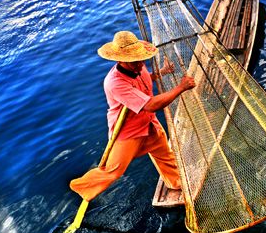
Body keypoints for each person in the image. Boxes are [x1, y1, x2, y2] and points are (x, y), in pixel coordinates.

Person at [70, 30, 196, 202]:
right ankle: (82, 187)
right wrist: (181, 87)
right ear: (120, 60)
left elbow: (145, 79)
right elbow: (151, 105)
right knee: (114, 170)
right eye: (133, 62)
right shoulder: (115, 83)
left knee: (164, 154)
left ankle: (176, 182)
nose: (139, 64)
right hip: (128, 131)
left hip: (148, 123)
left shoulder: (138, 66)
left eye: (140, 59)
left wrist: (162, 72)